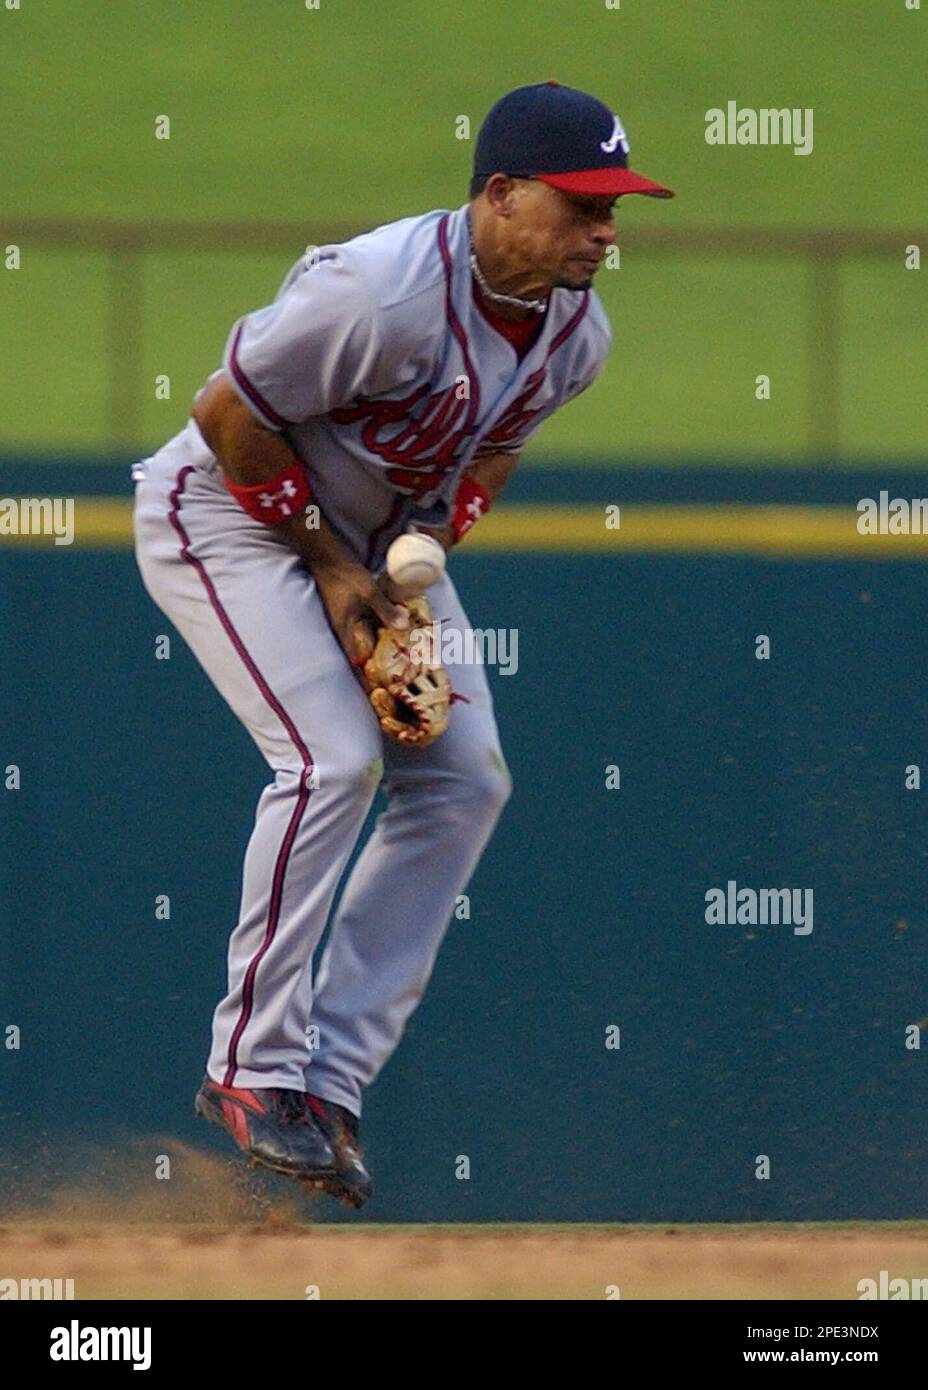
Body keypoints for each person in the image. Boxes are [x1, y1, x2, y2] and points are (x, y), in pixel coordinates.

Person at [132, 81, 673, 1207]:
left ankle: (325, 1084)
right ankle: (251, 1068)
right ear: (499, 194)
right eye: (581, 206)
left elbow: (490, 456)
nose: (605, 231)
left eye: (613, 207)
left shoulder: (577, 332)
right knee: (332, 758)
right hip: (226, 514)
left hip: (369, 541)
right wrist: (330, 566)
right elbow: (229, 415)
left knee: (466, 779)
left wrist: (420, 550)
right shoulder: (378, 294)